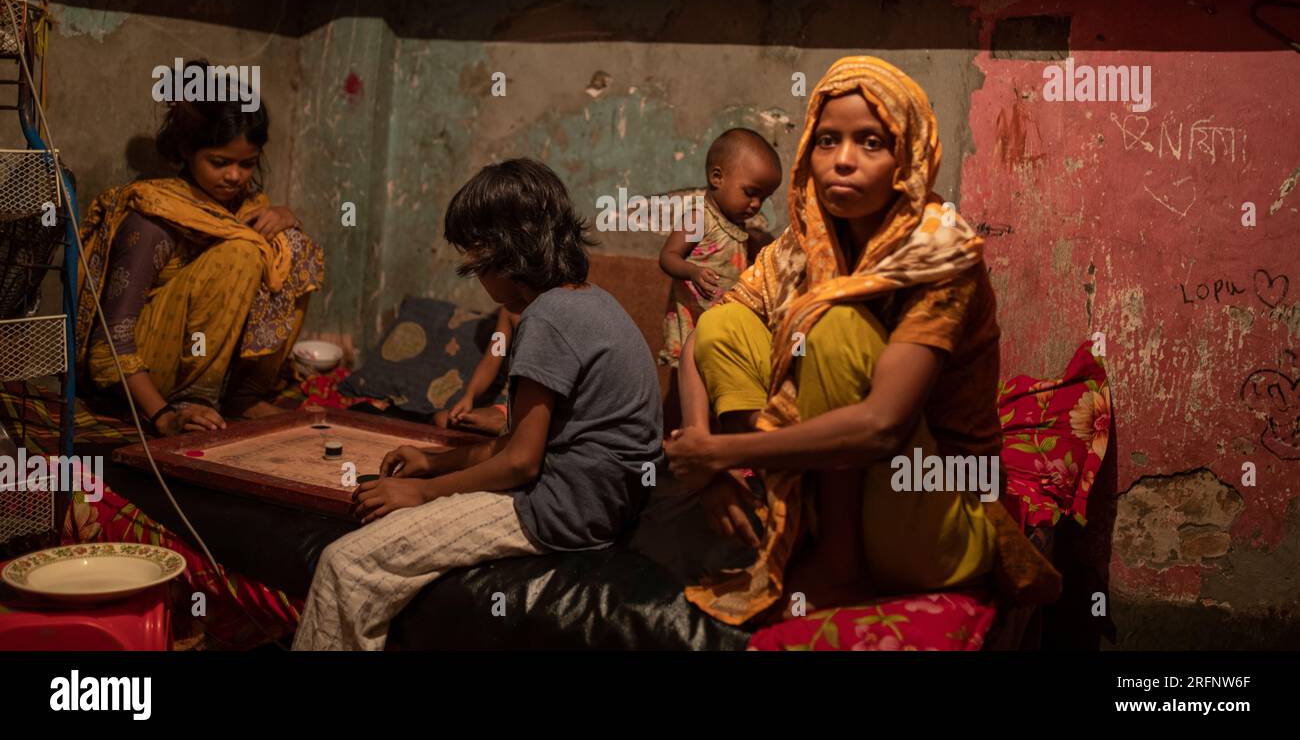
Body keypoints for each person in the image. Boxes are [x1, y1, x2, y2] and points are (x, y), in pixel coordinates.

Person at [664, 56, 1002, 626]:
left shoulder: (940, 251)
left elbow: (882, 426)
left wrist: (723, 451)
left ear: (908, 156)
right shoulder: (804, 244)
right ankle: (778, 506)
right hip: (825, 481)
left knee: (837, 324)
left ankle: (839, 563)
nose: (843, 160)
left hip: (931, 502)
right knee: (724, 323)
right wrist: (706, 464)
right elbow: (704, 333)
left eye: (871, 142)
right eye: (827, 140)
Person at [292, 158, 663, 650]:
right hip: (600, 503)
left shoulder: (546, 319)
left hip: (561, 512)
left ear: (502, 256)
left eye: (473, 265)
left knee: (349, 566)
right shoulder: (593, 301)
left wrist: (423, 493)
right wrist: (433, 461)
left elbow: (521, 461)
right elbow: (524, 442)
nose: (479, 281)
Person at [75, 63, 323, 436]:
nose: (235, 176)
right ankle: (192, 400)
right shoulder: (155, 215)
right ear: (187, 151)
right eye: (220, 163)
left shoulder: (248, 207)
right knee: (241, 251)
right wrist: (162, 416)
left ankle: (243, 397)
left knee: (291, 245)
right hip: (138, 377)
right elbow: (111, 341)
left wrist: (286, 217)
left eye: (247, 164)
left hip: (198, 361)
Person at [658, 128, 781, 367]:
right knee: (695, 374)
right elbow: (667, 257)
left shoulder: (737, 225)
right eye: (751, 193)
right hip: (697, 316)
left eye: (763, 198)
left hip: (723, 318)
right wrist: (693, 271)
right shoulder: (699, 218)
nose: (756, 204)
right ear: (717, 177)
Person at [432, 305, 517, 436]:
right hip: (509, 407)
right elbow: (492, 358)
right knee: (444, 419)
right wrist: (469, 397)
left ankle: (511, 429)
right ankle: (506, 427)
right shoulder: (510, 310)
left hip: (538, 409)